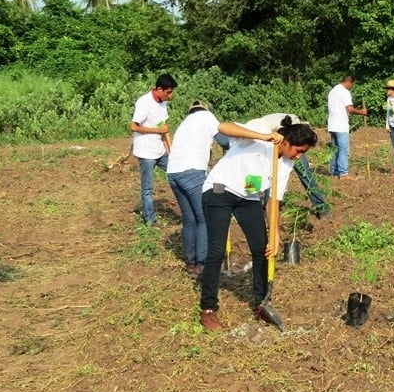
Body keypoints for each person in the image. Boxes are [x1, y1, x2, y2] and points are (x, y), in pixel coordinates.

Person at [198, 117, 319, 331]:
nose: (299, 156)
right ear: (286, 142)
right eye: (298, 150)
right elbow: (223, 127)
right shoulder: (262, 136)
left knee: (262, 248)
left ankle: (261, 303)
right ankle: (208, 308)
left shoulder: (286, 164)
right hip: (219, 189)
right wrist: (262, 136)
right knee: (216, 250)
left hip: (248, 196)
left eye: (303, 153)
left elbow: (273, 201)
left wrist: (275, 234)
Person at [167, 101, 221, 279]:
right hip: (192, 172)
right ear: (206, 110)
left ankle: (190, 263)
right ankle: (202, 264)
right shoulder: (207, 117)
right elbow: (223, 140)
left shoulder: (185, 123)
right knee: (204, 217)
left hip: (173, 173)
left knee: (189, 219)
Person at [241, 113, 329, 218]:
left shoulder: (294, 133)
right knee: (261, 178)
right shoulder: (259, 130)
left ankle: (321, 206)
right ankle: (256, 208)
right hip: (273, 150)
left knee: (304, 173)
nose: (298, 156)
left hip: (289, 147)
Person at [131, 73, 177, 226]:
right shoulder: (144, 102)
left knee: (177, 172)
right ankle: (150, 220)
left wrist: (171, 149)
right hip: (146, 152)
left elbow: (164, 128)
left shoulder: (162, 103)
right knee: (148, 188)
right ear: (159, 89)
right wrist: (157, 131)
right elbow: (134, 126)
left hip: (160, 150)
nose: (170, 96)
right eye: (168, 92)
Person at [326, 75, 368, 180]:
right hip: (341, 125)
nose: (352, 86)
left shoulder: (333, 91)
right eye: (352, 84)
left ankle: (334, 172)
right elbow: (349, 109)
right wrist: (361, 112)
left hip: (332, 124)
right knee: (343, 149)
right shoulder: (344, 92)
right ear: (348, 82)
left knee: (334, 149)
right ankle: (343, 173)